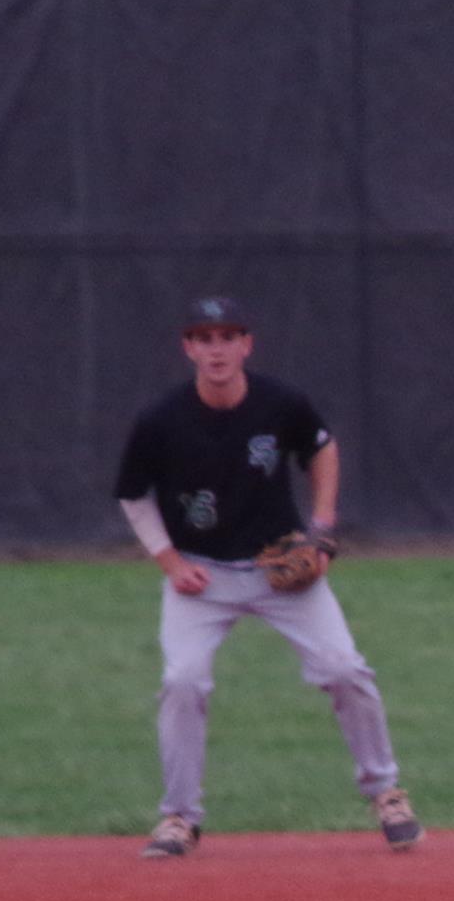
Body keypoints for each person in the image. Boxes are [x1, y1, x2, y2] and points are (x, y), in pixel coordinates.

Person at [112, 294, 423, 859]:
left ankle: (386, 791)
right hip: (201, 577)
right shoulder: (161, 419)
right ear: (188, 348)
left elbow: (322, 450)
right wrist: (170, 562)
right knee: (183, 681)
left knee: (344, 670)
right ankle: (180, 817)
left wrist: (323, 528)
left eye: (227, 337)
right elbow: (133, 495)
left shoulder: (281, 403)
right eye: (204, 339)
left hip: (281, 571)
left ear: (246, 345)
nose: (217, 349)